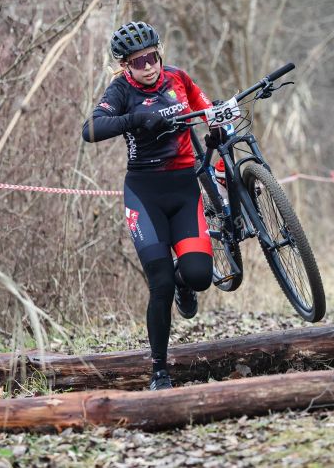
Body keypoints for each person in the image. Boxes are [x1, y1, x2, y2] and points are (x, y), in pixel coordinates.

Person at [82, 21, 215, 390]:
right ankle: (159, 370)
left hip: (184, 189)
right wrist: (135, 119)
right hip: (145, 194)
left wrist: (218, 123)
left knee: (200, 276)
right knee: (160, 285)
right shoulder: (121, 90)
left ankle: (183, 282)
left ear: (161, 54)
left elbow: (206, 109)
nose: (149, 66)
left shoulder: (178, 79)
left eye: (152, 57)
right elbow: (90, 129)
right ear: (126, 66)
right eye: (138, 62)